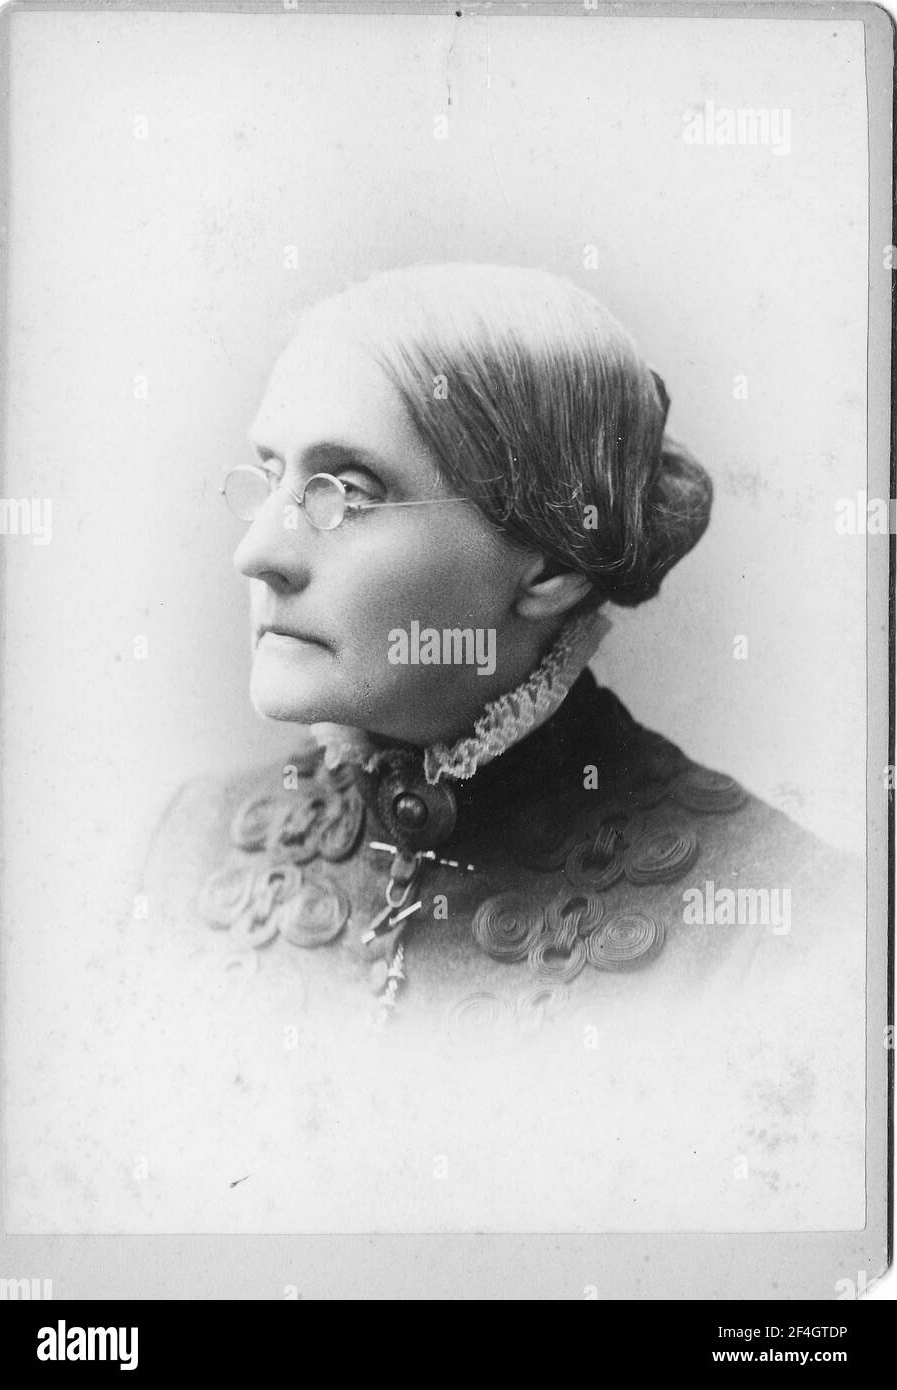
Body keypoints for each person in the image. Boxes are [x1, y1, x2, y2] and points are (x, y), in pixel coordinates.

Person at [134, 264, 863, 1234]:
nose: (258, 551)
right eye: (270, 477)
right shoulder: (191, 849)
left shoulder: (785, 924)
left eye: (344, 493)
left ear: (554, 561)